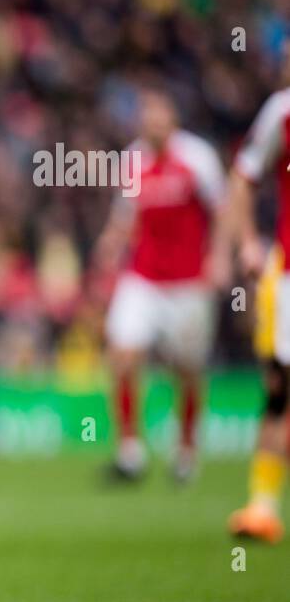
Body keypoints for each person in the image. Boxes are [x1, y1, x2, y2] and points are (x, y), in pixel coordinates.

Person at [93, 87, 225, 483]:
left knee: (186, 369)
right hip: (143, 278)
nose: (152, 123)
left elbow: (222, 211)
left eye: (159, 115)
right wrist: (110, 246)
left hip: (188, 280)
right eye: (146, 116)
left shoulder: (197, 158)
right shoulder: (133, 159)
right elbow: (125, 215)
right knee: (122, 353)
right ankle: (129, 451)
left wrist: (218, 258)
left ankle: (185, 451)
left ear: (172, 119)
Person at [224, 42, 290, 544]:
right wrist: (246, 241)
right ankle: (262, 508)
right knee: (279, 388)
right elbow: (245, 177)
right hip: (286, 271)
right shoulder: (281, 112)